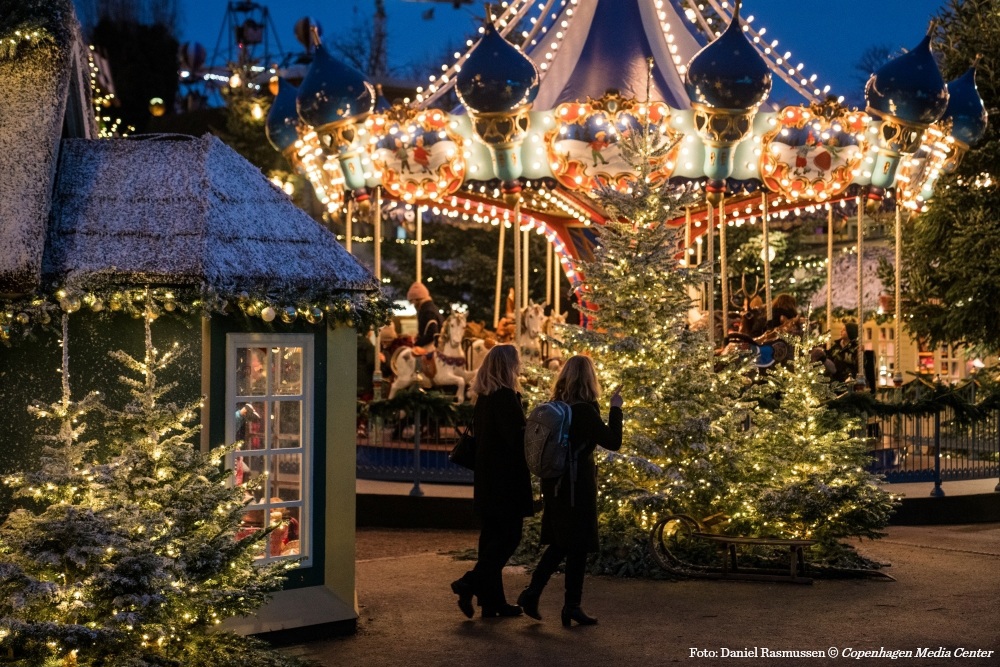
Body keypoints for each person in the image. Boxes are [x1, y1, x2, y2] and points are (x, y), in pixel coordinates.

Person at [517, 355, 623, 627]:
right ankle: (560, 602)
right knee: (574, 545)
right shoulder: (584, 411)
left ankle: (550, 599)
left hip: (556, 484)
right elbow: (613, 441)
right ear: (590, 379)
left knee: (564, 544)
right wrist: (615, 408)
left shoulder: (558, 406)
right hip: (577, 487)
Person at [450, 345, 534, 619]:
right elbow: (516, 439)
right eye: (516, 363)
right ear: (508, 366)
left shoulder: (484, 397)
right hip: (506, 480)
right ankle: (469, 583)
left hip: (487, 479)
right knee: (509, 537)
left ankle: (492, 602)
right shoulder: (506, 397)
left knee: (490, 540)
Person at [407, 281, 443, 355]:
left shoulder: (427, 312)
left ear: (416, 300)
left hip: (430, 352)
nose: (413, 305)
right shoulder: (432, 308)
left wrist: (417, 343)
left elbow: (432, 333)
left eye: (412, 302)